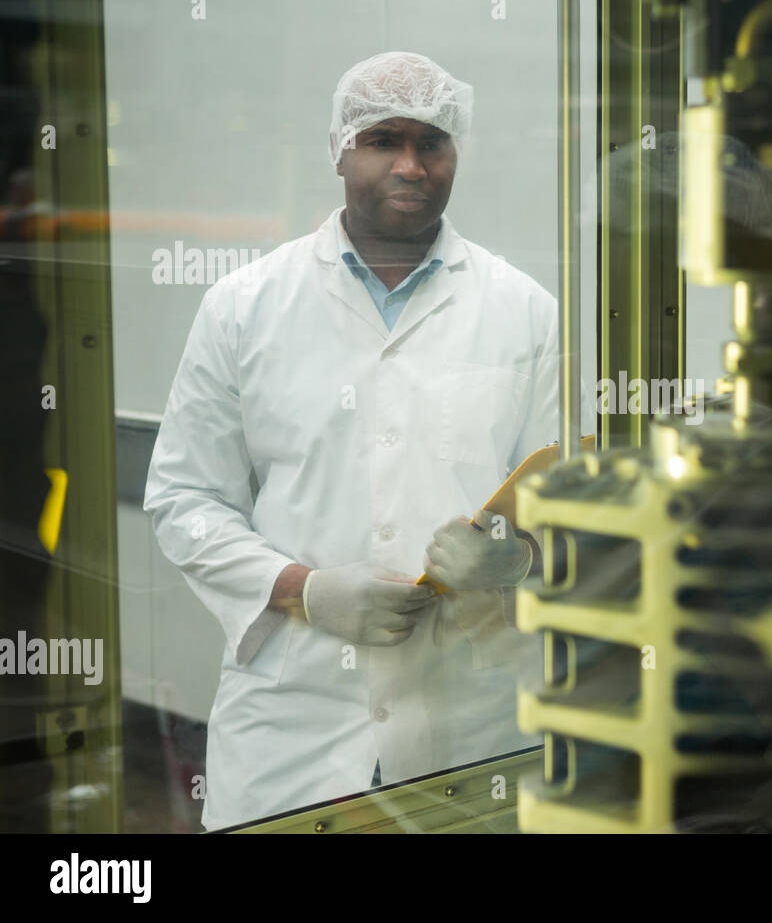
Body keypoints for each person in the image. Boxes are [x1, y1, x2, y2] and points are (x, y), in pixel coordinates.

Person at [144, 51, 585, 830]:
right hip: (295, 719)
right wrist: (303, 590)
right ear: (341, 150)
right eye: (385, 140)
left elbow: (569, 512)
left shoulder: (525, 311)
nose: (411, 165)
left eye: (433, 142)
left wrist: (517, 559)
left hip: (469, 715)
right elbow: (184, 500)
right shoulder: (245, 306)